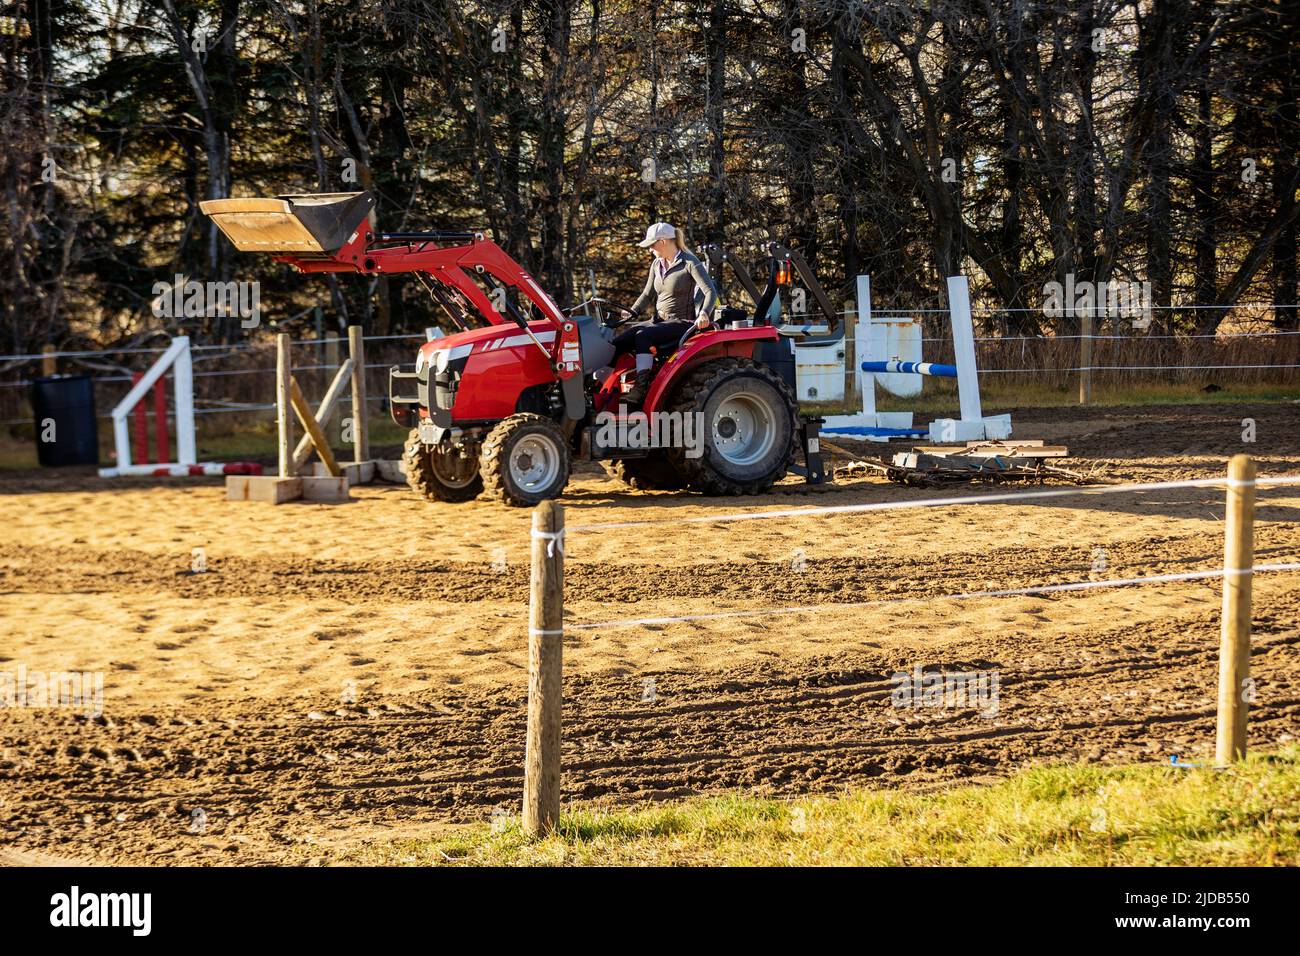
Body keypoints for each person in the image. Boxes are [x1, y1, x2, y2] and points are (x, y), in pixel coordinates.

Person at [614, 222, 717, 406]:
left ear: (662, 242)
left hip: (682, 322)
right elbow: (647, 294)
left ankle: (641, 388)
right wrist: (632, 312)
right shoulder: (656, 264)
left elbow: (710, 291)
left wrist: (704, 314)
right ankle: (602, 388)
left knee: (643, 336)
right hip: (659, 320)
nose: (650, 249)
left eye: (652, 245)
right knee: (621, 340)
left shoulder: (689, 262)